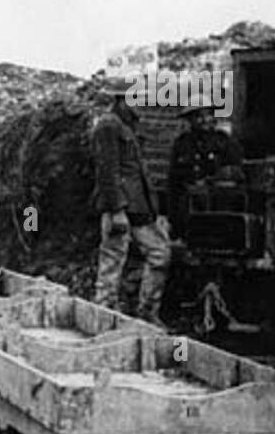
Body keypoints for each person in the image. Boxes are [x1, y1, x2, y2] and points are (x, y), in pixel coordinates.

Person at [92, 77, 171, 326]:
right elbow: (108, 170)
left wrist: (151, 208)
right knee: (112, 262)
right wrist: (116, 210)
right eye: (135, 99)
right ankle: (103, 317)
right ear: (121, 101)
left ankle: (147, 314)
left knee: (160, 254)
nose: (140, 105)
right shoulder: (108, 126)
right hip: (120, 209)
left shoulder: (128, 128)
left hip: (138, 210)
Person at [167, 104, 245, 225]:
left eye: (207, 115)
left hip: (218, 203)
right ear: (190, 120)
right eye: (198, 116)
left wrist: (213, 180)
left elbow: (235, 171)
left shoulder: (223, 141)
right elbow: (174, 181)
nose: (204, 120)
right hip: (190, 205)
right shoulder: (182, 144)